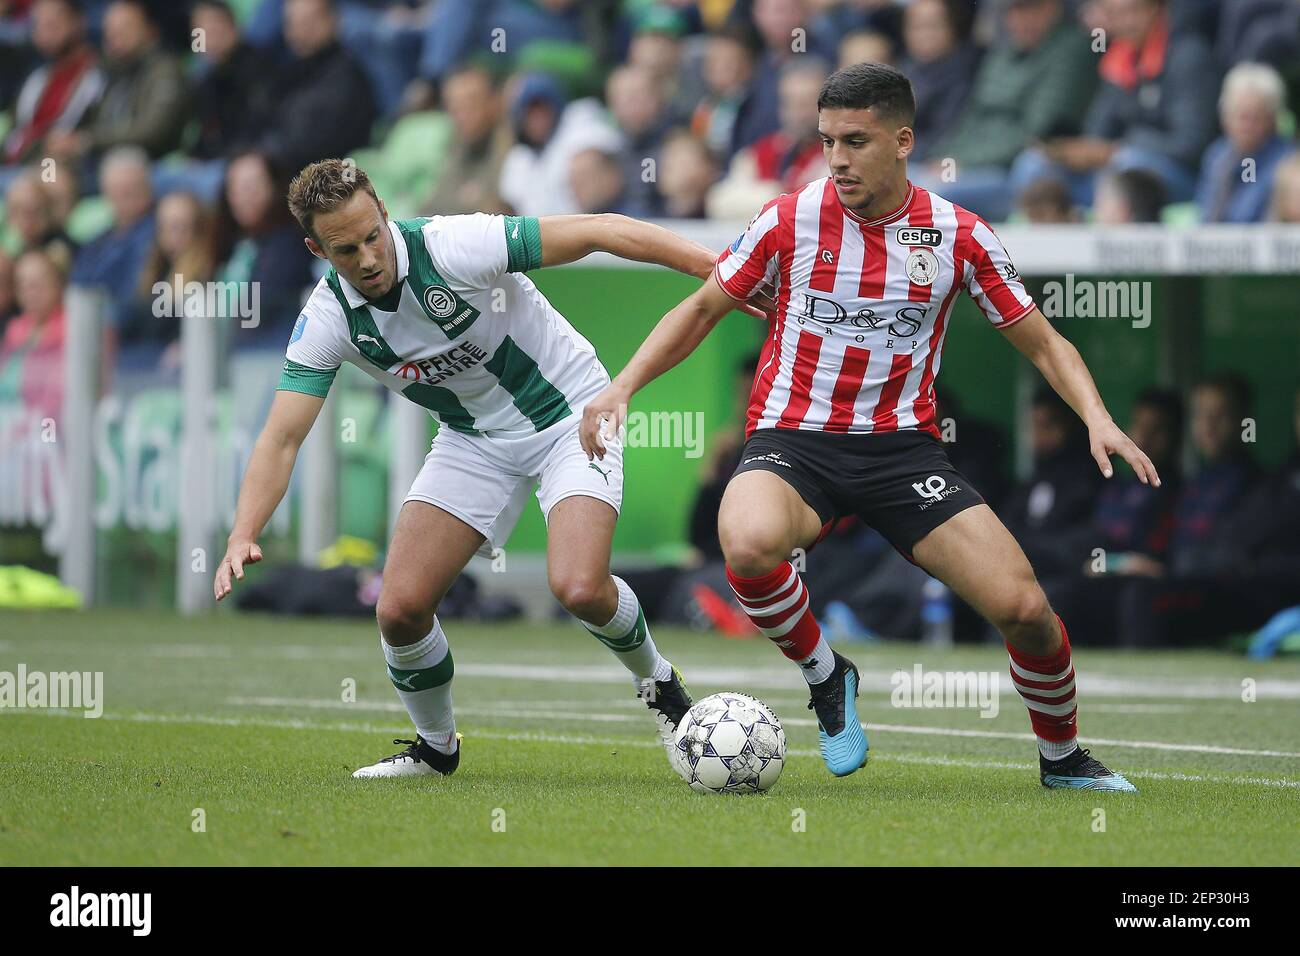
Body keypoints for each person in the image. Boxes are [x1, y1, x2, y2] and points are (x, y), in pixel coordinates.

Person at [580, 63, 1158, 791]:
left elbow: (1043, 341)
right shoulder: (787, 220)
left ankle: (1063, 759)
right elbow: (699, 311)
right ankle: (827, 677)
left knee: (1026, 609)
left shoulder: (958, 236)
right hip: (793, 439)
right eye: (827, 141)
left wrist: (1098, 418)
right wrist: (623, 386)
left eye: (856, 140)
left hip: (901, 451)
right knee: (749, 545)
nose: (838, 159)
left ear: (903, 140)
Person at [213, 159, 765, 778]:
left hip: (570, 412)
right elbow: (282, 437)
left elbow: (601, 229)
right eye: (346, 249)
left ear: (384, 215)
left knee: (579, 587)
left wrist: (726, 276)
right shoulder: (328, 318)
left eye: (373, 235)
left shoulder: (455, 246)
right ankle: (435, 747)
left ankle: (660, 686)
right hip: (473, 441)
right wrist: (243, 532)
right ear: (317, 248)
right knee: (398, 609)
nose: (368, 257)